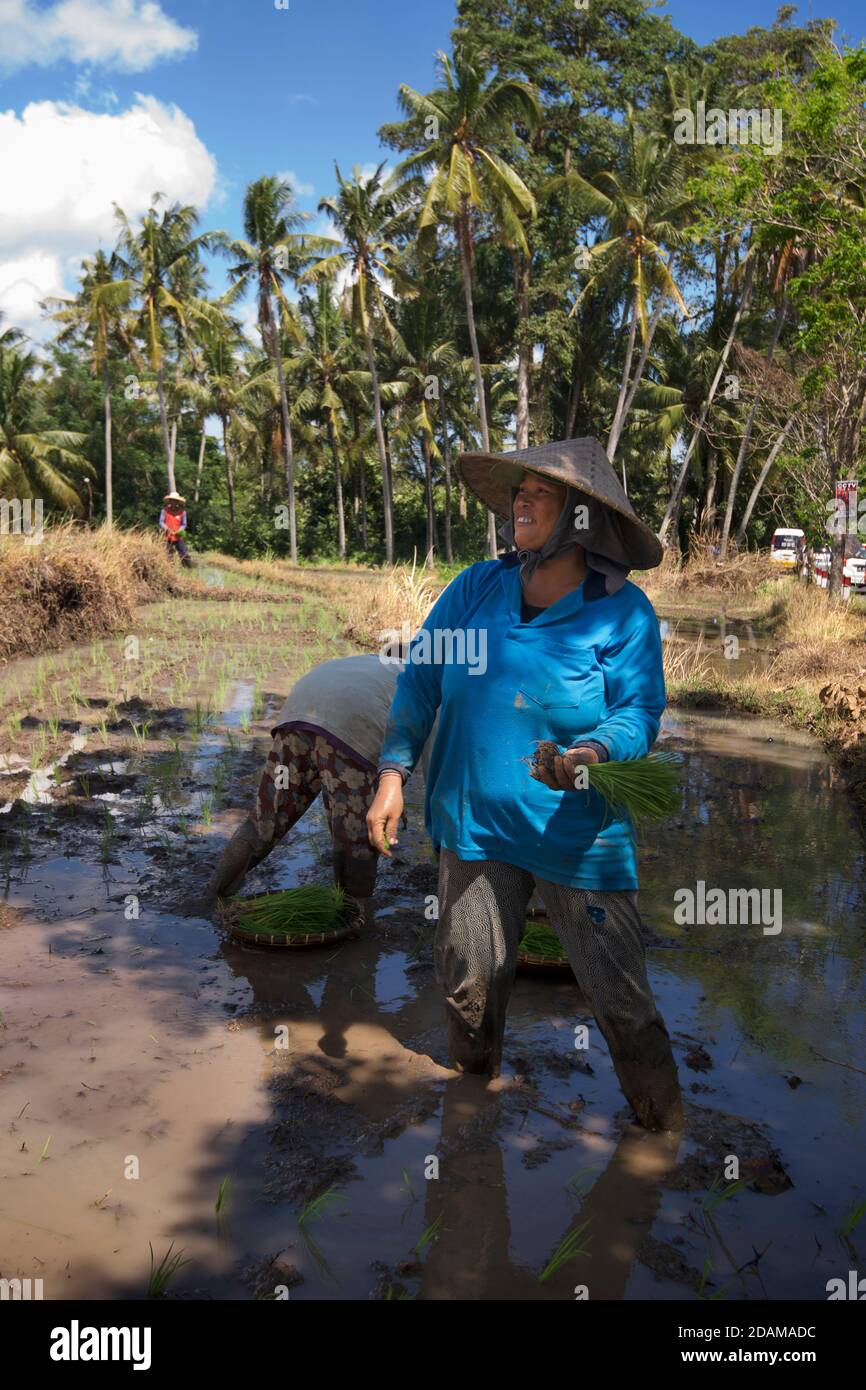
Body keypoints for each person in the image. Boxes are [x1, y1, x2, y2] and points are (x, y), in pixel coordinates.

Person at [366, 437, 684, 1132]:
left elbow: (638, 712)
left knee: (621, 1001)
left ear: (584, 519)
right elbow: (420, 681)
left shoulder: (623, 614)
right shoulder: (474, 589)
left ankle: (662, 1133)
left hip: (578, 839)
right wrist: (393, 772)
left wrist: (590, 754)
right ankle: (472, 1124)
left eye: (542, 492)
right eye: (519, 490)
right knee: (468, 987)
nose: (521, 501)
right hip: (475, 829)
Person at [204, 653, 432, 926]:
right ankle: (352, 920)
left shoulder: (378, 662)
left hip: (298, 714)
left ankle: (211, 895)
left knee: (267, 816)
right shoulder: (433, 681)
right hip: (351, 724)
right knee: (355, 834)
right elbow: (433, 761)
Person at [159, 491, 192, 568]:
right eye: (172, 500)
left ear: (178, 502)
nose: (174, 502)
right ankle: (171, 570)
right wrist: (167, 529)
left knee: (184, 553)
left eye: (175, 501)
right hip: (167, 535)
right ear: (170, 501)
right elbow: (161, 522)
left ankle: (188, 569)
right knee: (168, 554)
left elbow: (184, 524)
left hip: (179, 535)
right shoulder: (164, 511)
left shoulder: (182, 512)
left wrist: (179, 530)